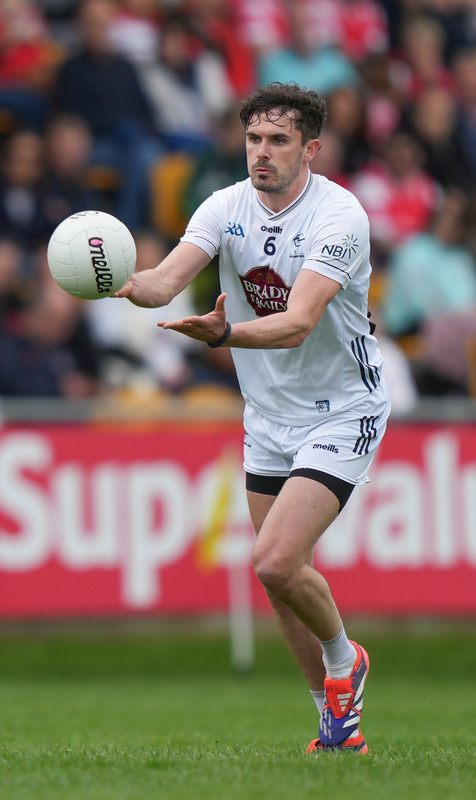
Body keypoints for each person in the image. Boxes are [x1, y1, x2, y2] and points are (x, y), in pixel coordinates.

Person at [115, 82, 390, 754]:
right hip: (268, 415)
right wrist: (116, 277)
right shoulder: (224, 206)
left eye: (278, 141)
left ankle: (343, 663)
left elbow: (296, 323)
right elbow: (164, 279)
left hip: (341, 409)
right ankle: (334, 720)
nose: (261, 153)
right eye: (253, 140)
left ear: (311, 149)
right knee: (281, 582)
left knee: (273, 562)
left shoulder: (339, 217)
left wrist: (222, 337)